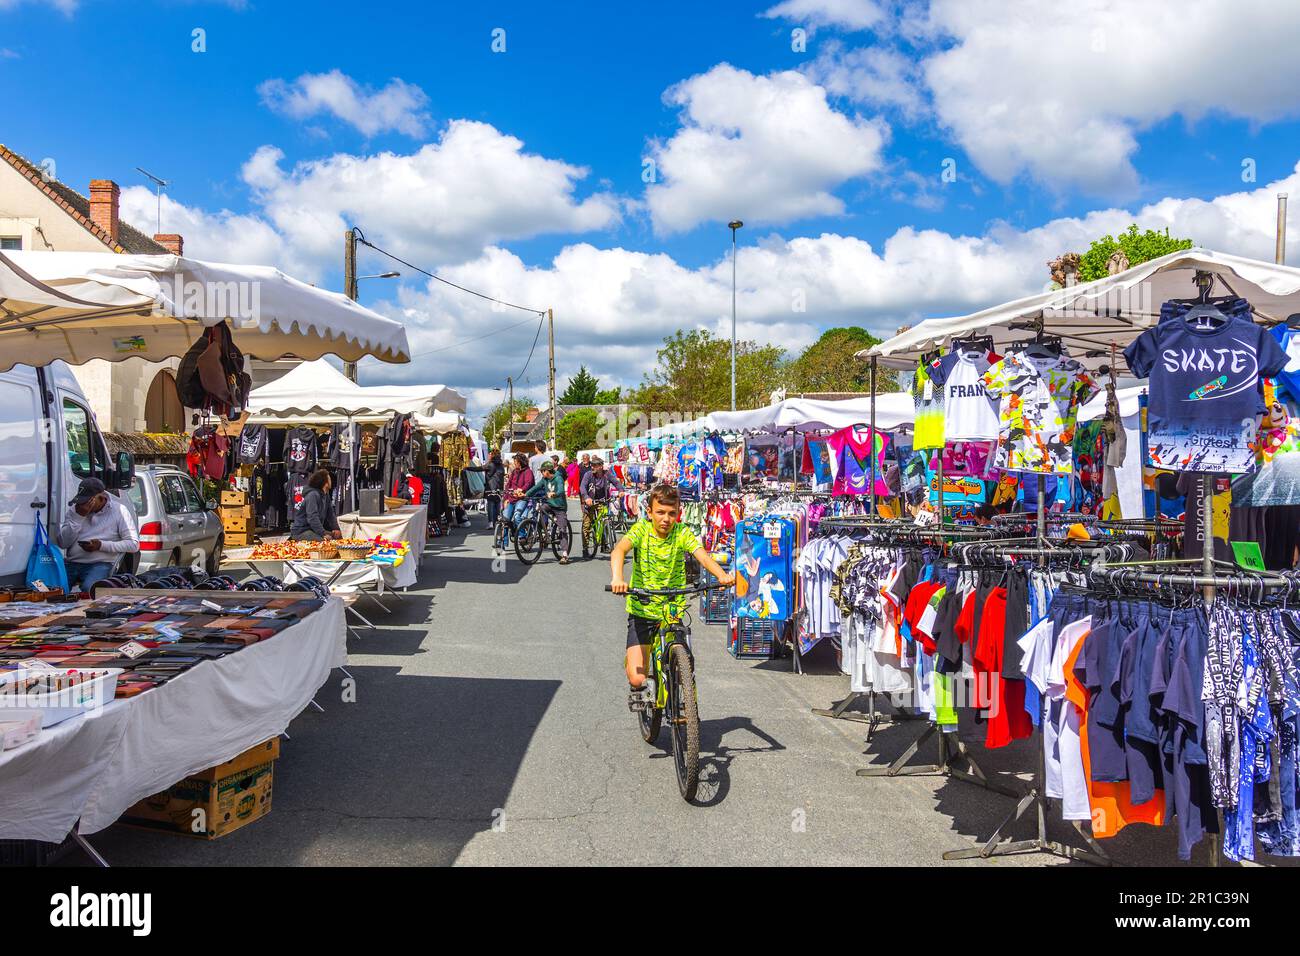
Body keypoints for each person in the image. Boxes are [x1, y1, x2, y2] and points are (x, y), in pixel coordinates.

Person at [609, 483, 734, 706]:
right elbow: (620, 550)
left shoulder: (682, 532)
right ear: (649, 512)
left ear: (678, 513)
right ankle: (636, 666)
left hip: (672, 609)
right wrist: (618, 578)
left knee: (685, 659)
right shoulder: (641, 530)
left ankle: (683, 684)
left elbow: (703, 557)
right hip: (643, 608)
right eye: (660, 512)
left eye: (672, 513)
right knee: (638, 677)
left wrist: (721, 576)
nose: (666, 519)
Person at [56, 477, 139, 592]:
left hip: (100, 563)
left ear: (101, 498)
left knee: (89, 588)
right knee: (54, 588)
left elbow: (133, 545)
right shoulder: (76, 510)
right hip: (72, 562)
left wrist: (101, 545)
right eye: (81, 501)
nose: (82, 504)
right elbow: (63, 543)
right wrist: (79, 518)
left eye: (87, 501)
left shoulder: (119, 510)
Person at [525, 458, 570, 563]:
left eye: (542, 471)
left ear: (547, 471)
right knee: (540, 509)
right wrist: (525, 494)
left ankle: (564, 554)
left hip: (560, 507)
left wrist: (555, 494)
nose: (541, 473)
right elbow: (535, 488)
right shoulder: (544, 480)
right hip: (549, 504)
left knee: (562, 528)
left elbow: (561, 490)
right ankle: (542, 533)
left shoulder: (558, 478)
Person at [579, 456, 624, 547]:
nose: (592, 467)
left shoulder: (607, 474)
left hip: (603, 501)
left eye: (595, 465)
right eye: (592, 465)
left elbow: (616, 482)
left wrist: (621, 490)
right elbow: (582, 486)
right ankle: (585, 546)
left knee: (605, 519)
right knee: (586, 525)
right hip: (590, 501)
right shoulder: (588, 475)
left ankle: (605, 543)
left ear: (601, 466)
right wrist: (586, 498)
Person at [290, 468, 342, 541]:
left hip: (313, 530)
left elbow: (331, 515)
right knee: (326, 542)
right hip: (301, 531)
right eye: (329, 479)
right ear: (324, 482)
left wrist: (336, 529)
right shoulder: (313, 495)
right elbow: (312, 517)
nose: (331, 481)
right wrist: (323, 533)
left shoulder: (326, 495)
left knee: (340, 537)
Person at [501, 453, 534, 547]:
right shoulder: (514, 472)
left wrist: (521, 490)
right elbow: (508, 485)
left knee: (517, 516)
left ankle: (522, 536)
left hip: (522, 498)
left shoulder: (528, 471)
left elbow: (528, 483)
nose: (514, 463)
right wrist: (506, 498)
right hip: (512, 499)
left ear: (520, 462)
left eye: (515, 462)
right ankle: (503, 542)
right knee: (505, 518)